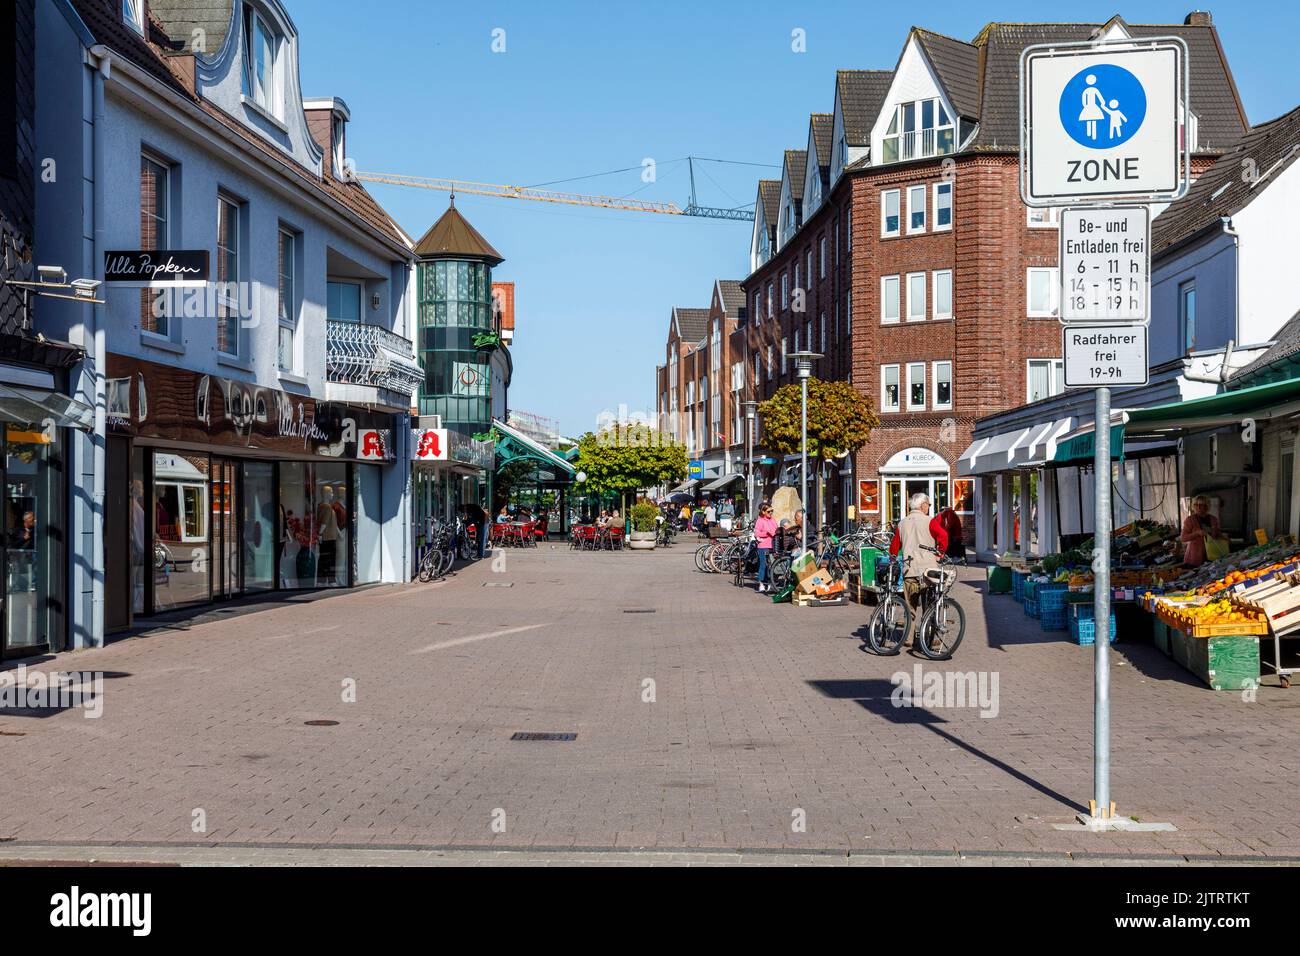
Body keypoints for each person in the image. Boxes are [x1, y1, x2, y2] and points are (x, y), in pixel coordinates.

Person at [889, 493, 949, 646]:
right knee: (929, 606)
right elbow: (943, 536)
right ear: (922, 505)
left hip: (909, 570)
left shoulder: (902, 523)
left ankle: (908, 638)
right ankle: (927, 638)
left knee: (910, 607)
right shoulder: (930, 521)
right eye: (928, 504)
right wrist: (940, 554)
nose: (929, 507)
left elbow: (894, 547)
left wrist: (892, 560)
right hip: (928, 571)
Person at [1180, 494, 1222, 567]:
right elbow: (1183, 538)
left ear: (1206, 506)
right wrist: (1196, 533)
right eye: (1196, 504)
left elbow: (1217, 534)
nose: (1198, 507)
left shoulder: (1213, 519)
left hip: (1211, 556)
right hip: (1194, 558)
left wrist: (1224, 538)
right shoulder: (1190, 520)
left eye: (1201, 505)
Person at [754, 504, 778, 593]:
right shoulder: (760, 521)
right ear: (763, 512)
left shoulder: (772, 520)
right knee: (763, 564)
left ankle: (769, 583)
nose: (770, 513)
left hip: (772, 545)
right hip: (763, 546)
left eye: (772, 511)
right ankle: (761, 584)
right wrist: (767, 533)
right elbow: (757, 533)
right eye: (768, 511)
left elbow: (776, 529)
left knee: (771, 565)